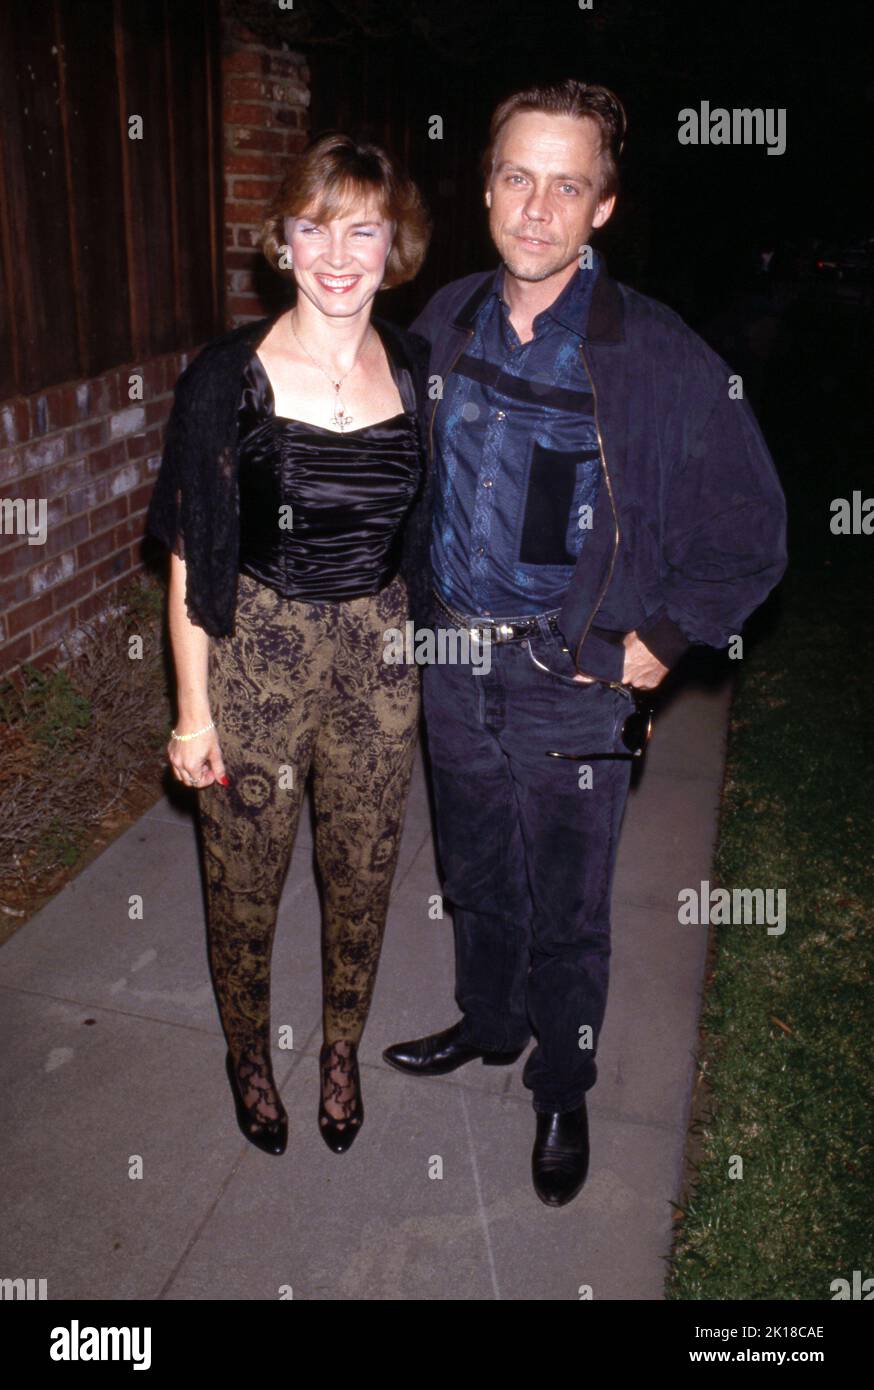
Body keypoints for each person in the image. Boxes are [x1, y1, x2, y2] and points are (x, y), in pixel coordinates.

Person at [383, 80, 788, 1206]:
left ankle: (560, 1084)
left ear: (602, 207)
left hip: (570, 679)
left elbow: (751, 533)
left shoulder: (657, 357)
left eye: (568, 184)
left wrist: (661, 640)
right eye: (518, 175)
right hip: (455, 660)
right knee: (472, 871)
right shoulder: (443, 320)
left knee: (567, 904)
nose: (537, 205)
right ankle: (492, 1021)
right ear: (485, 186)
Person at [146, 133, 432, 1157]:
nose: (339, 252)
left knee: (363, 868)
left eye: (363, 227)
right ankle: (248, 1055)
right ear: (283, 239)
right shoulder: (226, 378)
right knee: (245, 876)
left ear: (393, 240)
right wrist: (191, 713)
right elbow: (190, 554)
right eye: (316, 226)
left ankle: (342, 1048)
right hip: (256, 653)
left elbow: (431, 531)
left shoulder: (417, 365)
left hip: (380, 656)